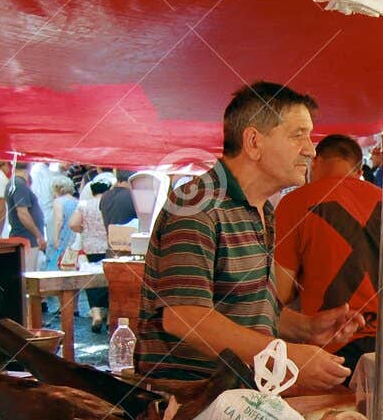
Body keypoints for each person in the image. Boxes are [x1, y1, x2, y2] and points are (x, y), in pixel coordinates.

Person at [136, 81, 361, 392]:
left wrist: (306, 329)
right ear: (254, 142)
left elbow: (247, 310)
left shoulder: (262, 211)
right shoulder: (196, 205)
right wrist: (285, 355)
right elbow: (184, 316)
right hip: (188, 401)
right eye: (298, 135)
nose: (311, 149)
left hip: (241, 394)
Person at [274, 132, 383, 367]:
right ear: (359, 170)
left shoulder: (294, 202)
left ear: (315, 162)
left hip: (330, 346)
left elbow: (279, 293)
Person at [70, 175, 113, 332]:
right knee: (109, 281)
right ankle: (109, 318)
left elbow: (73, 224)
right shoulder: (109, 203)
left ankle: (96, 315)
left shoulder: (84, 205)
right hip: (109, 246)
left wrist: (85, 230)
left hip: (91, 246)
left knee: (92, 281)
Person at [7, 160, 46, 265]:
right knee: (28, 275)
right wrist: (38, 236)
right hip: (27, 240)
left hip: (24, 239)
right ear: (29, 164)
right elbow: (22, 213)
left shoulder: (15, 183)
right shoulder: (19, 185)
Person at [46, 177, 78, 269]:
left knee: (55, 267)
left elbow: (58, 221)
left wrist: (56, 239)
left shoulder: (58, 202)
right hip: (73, 240)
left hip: (62, 238)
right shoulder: (77, 201)